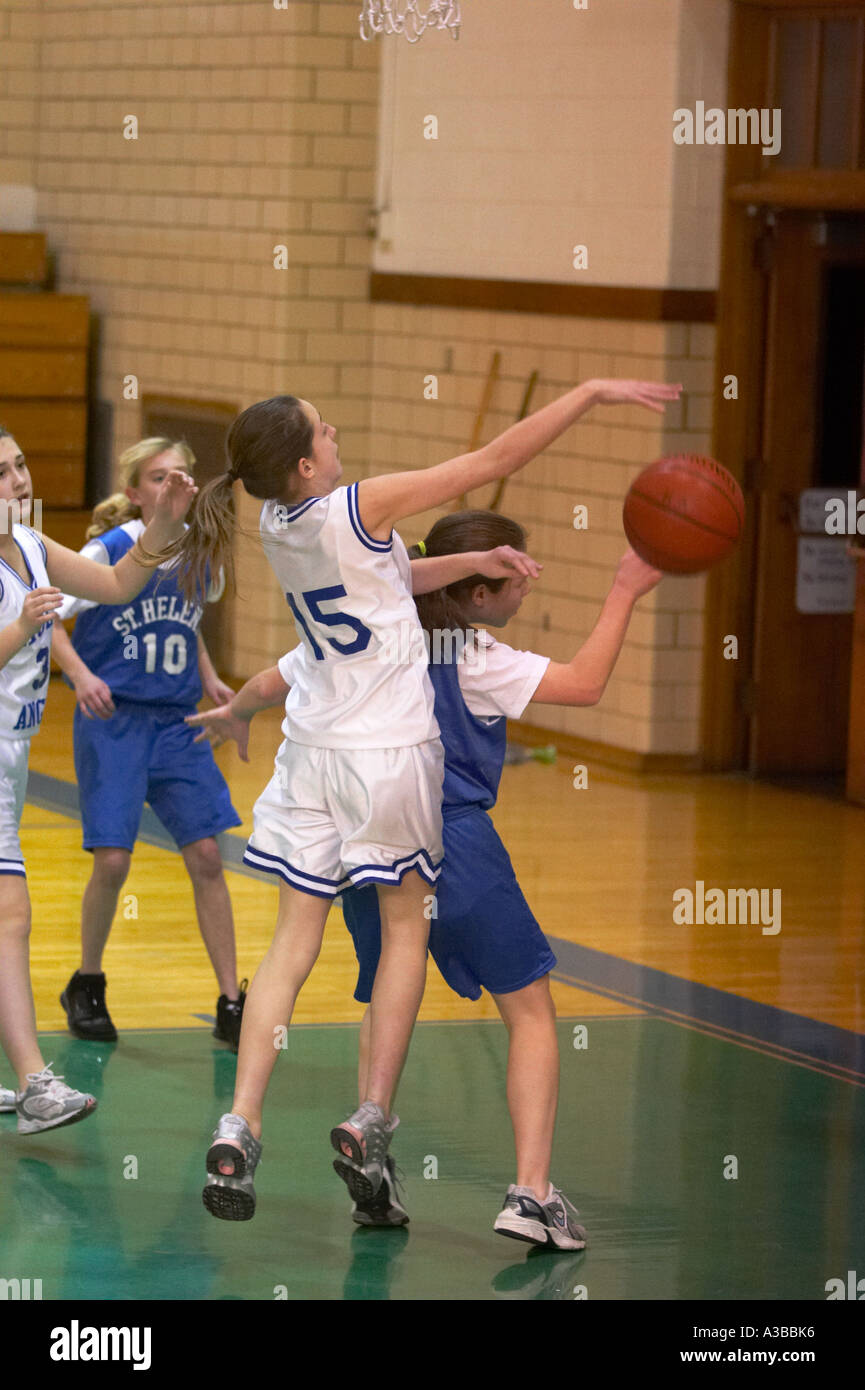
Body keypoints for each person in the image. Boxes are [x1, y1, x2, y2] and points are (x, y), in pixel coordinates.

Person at [167, 379, 679, 1221]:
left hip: (313, 754)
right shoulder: (361, 505)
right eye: (325, 433)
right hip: (385, 758)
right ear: (305, 463)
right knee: (408, 924)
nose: (337, 437)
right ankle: (371, 1114)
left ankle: (242, 1118)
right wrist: (588, 393)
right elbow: (493, 460)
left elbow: (390, 577)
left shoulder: (271, 519)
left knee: (292, 943)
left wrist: (469, 561)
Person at [336, 512, 663, 1246]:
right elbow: (582, 685)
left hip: (368, 845)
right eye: (515, 570)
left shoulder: (380, 632)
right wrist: (624, 589)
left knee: (391, 990)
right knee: (530, 1009)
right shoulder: (477, 656)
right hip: (452, 842)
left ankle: (374, 1139)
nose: (526, 579)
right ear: (475, 593)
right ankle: (531, 1194)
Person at [0, 425, 195, 1133]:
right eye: (1, 473)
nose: (18, 482)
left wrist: (161, 529)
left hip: (10, 755)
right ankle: (35, 1085)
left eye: (21, 466)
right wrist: (22, 626)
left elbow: (115, 583)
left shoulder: (28, 546)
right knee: (9, 913)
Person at [50, 439, 246, 1049]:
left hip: (177, 721)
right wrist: (80, 675)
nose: (170, 487)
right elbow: (48, 615)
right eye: (157, 478)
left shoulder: (197, 551)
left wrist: (209, 674)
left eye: (180, 477)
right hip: (116, 721)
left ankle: (232, 1001)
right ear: (134, 491)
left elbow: (180, 623)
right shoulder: (109, 550)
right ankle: (86, 982)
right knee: (112, 860)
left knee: (209, 856)